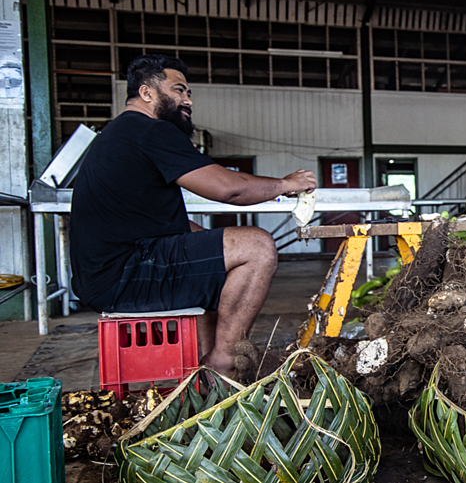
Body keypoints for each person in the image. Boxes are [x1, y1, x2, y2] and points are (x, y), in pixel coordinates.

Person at [70, 54, 317, 377]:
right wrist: (287, 184)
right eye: (179, 90)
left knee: (214, 259)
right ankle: (224, 362)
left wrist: (212, 244)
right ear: (147, 93)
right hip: (126, 273)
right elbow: (228, 189)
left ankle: (203, 370)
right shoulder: (150, 131)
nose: (188, 100)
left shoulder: (121, 133)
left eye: (188, 93)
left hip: (108, 275)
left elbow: (156, 220)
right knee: (257, 246)